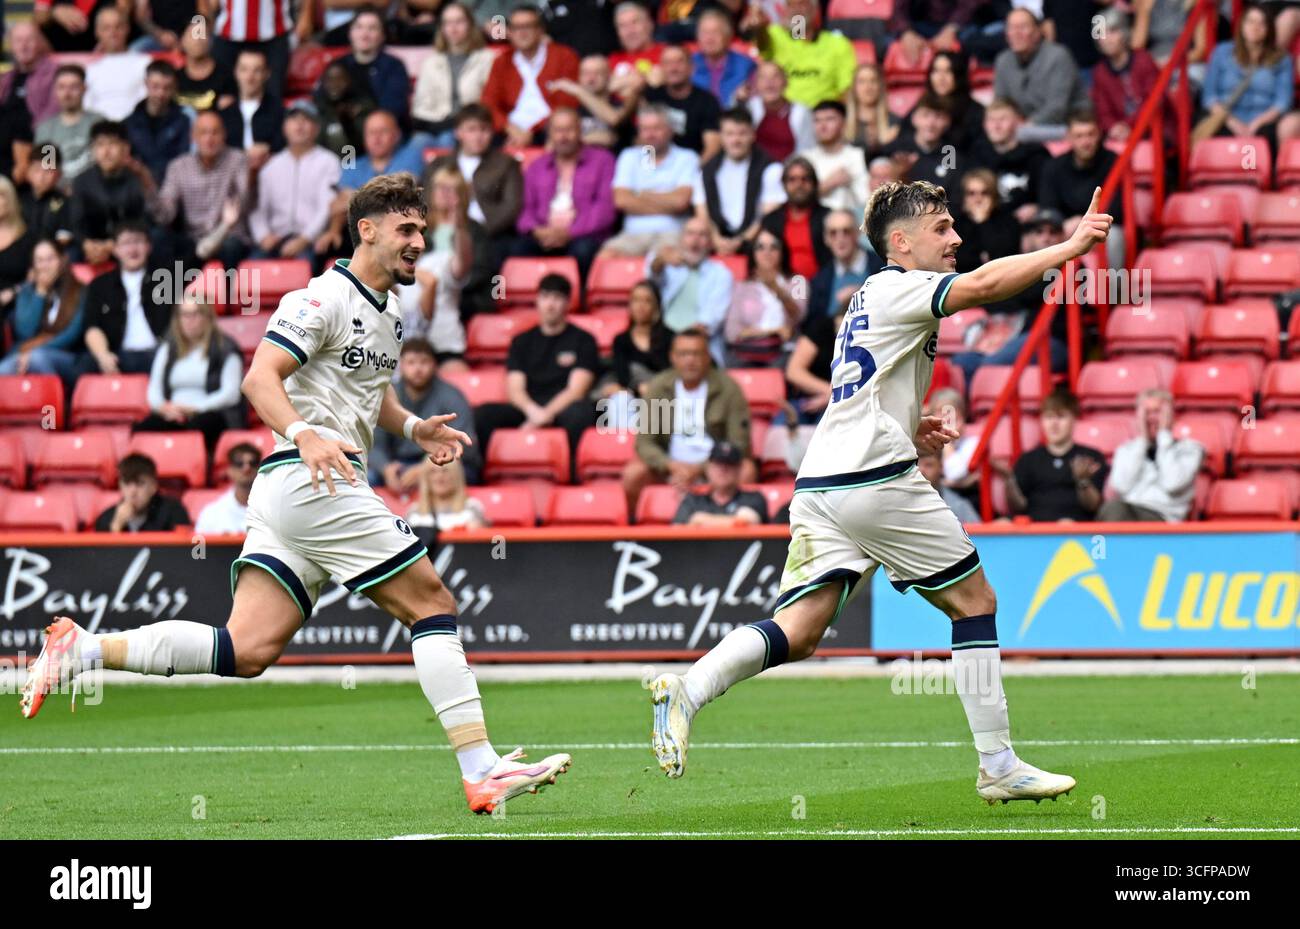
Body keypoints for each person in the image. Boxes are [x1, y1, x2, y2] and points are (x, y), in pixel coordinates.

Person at [24, 173, 573, 816]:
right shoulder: (320, 299)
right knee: (431, 600)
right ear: (366, 230)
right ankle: (481, 769)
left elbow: (374, 394)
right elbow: (260, 380)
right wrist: (309, 433)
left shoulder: (389, 311)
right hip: (313, 479)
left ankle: (84, 648)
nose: (420, 240)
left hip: (299, 489)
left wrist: (415, 427)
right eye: (408, 228)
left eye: (423, 228)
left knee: (246, 648)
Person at [649, 178, 1116, 803]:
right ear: (902, 243)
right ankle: (999, 764)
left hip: (821, 479)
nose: (957, 238)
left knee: (803, 627)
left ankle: (690, 687)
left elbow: (865, 383)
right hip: (873, 478)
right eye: (943, 228)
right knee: (975, 602)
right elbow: (981, 287)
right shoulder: (902, 287)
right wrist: (1067, 248)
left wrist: (905, 422)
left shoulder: (870, 295)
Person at [473, 273, 598, 474]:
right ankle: (484, 472)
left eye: (557, 298)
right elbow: (515, 389)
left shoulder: (584, 340)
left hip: (561, 409)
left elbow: (576, 390)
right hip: (528, 408)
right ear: (537, 300)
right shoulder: (521, 342)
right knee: (484, 414)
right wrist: (533, 413)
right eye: (546, 297)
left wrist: (544, 416)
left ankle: (572, 472)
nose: (550, 304)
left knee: (581, 412)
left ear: (567, 303)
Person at [623, 328, 755, 513]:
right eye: (683, 354)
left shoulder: (729, 388)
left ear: (708, 357)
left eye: (696, 354)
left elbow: (739, 444)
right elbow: (644, 443)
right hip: (668, 467)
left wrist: (701, 469)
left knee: (746, 470)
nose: (690, 360)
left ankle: (732, 525)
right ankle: (632, 534)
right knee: (633, 474)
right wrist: (671, 465)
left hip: (716, 465)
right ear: (672, 357)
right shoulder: (658, 387)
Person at [513, 107, 617, 281]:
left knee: (584, 251)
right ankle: (527, 303)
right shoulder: (537, 166)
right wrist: (537, 230)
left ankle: (583, 303)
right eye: (558, 130)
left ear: (580, 131)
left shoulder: (603, 160)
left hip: (583, 236)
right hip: (544, 234)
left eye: (569, 130)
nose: (563, 136)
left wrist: (570, 232)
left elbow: (605, 210)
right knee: (516, 249)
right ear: (550, 135)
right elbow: (524, 209)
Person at [134, 295, 243, 453]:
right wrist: (164, 408)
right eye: (184, 314)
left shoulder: (225, 348)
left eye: (195, 314)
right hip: (173, 414)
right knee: (143, 428)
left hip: (209, 414)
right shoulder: (168, 348)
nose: (189, 320)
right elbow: (154, 390)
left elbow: (231, 394)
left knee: (198, 426)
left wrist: (195, 408)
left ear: (208, 317)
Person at [371, 338, 481, 490]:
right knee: (365, 477)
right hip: (398, 464)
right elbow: (374, 443)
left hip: (441, 462)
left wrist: (425, 469)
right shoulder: (390, 395)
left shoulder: (452, 395)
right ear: (400, 366)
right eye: (411, 362)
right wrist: (386, 468)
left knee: (459, 474)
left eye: (424, 362)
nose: (418, 369)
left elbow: (465, 445)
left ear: (435, 365)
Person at [150, 109, 251, 271]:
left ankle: (228, 296)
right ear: (193, 137)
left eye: (215, 133)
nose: (209, 139)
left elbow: (244, 201)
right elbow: (165, 215)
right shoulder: (179, 166)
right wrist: (148, 186)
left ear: (224, 135)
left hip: (228, 235)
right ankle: (166, 295)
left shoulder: (238, 160)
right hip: (193, 237)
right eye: (203, 133)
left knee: (231, 247)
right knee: (159, 238)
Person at [249, 101, 341, 265]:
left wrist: (304, 239)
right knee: (249, 273)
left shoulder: (329, 162)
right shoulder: (270, 166)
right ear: (285, 127)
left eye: (307, 119)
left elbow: (326, 208)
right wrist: (263, 236)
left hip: (311, 241)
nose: (299, 124)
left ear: (317, 128)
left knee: (304, 270)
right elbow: (257, 207)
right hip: (275, 239)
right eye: (294, 119)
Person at [602, 104, 700, 257]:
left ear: (670, 130)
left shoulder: (686, 157)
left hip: (672, 235)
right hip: (633, 235)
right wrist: (667, 201)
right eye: (645, 129)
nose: (650, 134)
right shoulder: (629, 156)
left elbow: (680, 203)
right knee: (605, 257)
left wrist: (641, 195)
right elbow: (621, 201)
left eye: (656, 128)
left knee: (668, 259)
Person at [395, 175, 473, 365]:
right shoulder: (391, 270)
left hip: (445, 347)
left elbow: (463, 264)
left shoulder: (441, 260)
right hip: (405, 353)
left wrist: (460, 229)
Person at [998, 388, 1108, 523]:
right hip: (1033, 527)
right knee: (1001, 524)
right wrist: (1009, 480)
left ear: (1074, 419)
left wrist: (1083, 481)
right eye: (1049, 417)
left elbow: (1093, 507)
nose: (1054, 424)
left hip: (1074, 531)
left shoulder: (1090, 457)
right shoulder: (1028, 459)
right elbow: (1018, 507)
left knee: (1066, 525)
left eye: (1061, 416)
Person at [479, 3, 580, 147]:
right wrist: (511, 130)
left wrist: (530, 132)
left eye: (528, 27)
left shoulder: (564, 56)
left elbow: (567, 103)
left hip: (549, 129)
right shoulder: (502, 61)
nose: (522, 33)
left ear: (540, 30)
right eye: (516, 28)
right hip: (510, 131)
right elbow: (489, 103)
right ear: (510, 32)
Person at [80, 219, 172, 375]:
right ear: (115, 249)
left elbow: (198, 254)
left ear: (149, 247)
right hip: (118, 355)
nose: (133, 248)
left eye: (138, 241)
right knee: (85, 364)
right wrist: (103, 355)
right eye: (126, 243)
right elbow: (92, 327)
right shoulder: (99, 285)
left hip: (158, 353)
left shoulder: (165, 279)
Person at [1098, 389, 1204, 522]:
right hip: (1127, 512)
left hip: (1163, 519)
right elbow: (1121, 486)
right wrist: (1142, 440)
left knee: (1114, 511)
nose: (1152, 418)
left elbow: (1173, 483)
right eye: (1146, 413)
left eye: (1158, 412)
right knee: (1111, 508)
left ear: (1172, 416)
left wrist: (1164, 435)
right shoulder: (1126, 450)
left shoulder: (1190, 449)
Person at [422, 104, 523, 243]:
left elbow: (511, 207)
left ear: (492, 132)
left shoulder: (506, 164)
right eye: (471, 129)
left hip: (490, 235)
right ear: (458, 132)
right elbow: (426, 200)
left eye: (484, 129)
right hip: (442, 232)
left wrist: (480, 233)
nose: (478, 136)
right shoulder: (439, 164)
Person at [1039, 109, 1125, 270]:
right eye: (1079, 136)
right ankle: (1042, 292)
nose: (1086, 141)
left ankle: (1115, 295)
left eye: (1090, 134)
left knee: (1115, 237)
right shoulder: (1054, 166)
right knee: (1040, 237)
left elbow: (1118, 211)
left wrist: (1083, 223)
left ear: (1099, 134)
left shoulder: (1114, 162)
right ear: (1069, 138)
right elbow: (1048, 208)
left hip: (1102, 231)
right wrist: (1061, 225)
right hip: (1065, 230)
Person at [693, 106, 784, 257]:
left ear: (753, 135)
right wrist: (716, 240)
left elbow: (769, 214)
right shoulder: (706, 171)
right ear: (720, 137)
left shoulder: (771, 168)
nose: (736, 140)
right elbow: (702, 213)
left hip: (756, 244)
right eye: (729, 134)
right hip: (715, 244)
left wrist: (741, 241)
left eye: (742, 133)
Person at [1201, 3, 1293, 151]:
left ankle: (1258, 172)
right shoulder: (1221, 52)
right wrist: (1233, 123)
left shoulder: (1281, 59)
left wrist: (1255, 124)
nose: (1255, 27)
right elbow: (1210, 97)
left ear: (1270, 29)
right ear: (1241, 25)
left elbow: (1282, 102)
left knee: (1269, 135)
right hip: (1226, 118)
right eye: (1250, 21)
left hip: (1264, 120)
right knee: (1213, 132)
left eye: (1261, 23)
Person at [646, 215, 733, 363]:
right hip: (661, 341)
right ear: (681, 239)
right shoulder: (668, 264)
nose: (695, 240)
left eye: (702, 235)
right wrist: (661, 260)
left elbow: (711, 319)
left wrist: (680, 345)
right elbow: (650, 280)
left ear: (711, 243)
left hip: (700, 347)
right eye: (690, 233)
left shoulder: (721, 274)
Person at [992, 8, 1088, 142]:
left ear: (1038, 32)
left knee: (1017, 136)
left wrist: (1025, 127)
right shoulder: (1003, 60)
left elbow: (1057, 109)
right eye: (1011, 28)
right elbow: (1000, 103)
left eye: (1022, 27)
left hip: (1067, 127)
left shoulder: (1058, 56)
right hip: (1024, 129)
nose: (1016, 33)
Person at [411, 1, 497, 148]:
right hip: (435, 126)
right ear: (442, 27)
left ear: (470, 25)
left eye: (459, 21)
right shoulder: (430, 62)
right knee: (418, 142)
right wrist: (440, 124)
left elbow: (488, 101)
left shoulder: (488, 58)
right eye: (448, 23)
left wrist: (460, 124)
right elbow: (420, 107)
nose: (453, 28)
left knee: (447, 138)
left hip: (473, 126)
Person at [68, 120, 151, 265]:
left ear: (125, 148)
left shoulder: (137, 179)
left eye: (112, 144)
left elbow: (143, 220)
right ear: (93, 150)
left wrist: (112, 245)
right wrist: (87, 244)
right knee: (70, 253)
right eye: (100, 145)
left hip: (129, 244)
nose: (106, 152)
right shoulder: (81, 182)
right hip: (92, 246)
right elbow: (77, 222)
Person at [745, 0, 855, 110]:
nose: (796, 9)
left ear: (814, 9)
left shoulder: (837, 44)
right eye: (790, 4)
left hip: (821, 117)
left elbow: (847, 89)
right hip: (784, 114)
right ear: (784, 10)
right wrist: (759, 27)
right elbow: (762, 45)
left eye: (801, 3)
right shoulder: (775, 35)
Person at [0, 238, 83, 382]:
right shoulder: (27, 292)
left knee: (38, 358)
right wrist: (40, 292)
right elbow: (25, 332)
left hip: (67, 356)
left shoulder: (79, 290)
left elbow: (72, 334)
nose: (45, 266)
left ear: (62, 260)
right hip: (25, 352)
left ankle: (54, 404)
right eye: (39, 260)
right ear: (34, 266)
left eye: (50, 259)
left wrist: (33, 352)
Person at [724, 228, 804, 367]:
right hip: (748, 351)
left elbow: (798, 318)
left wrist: (776, 288)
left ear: (783, 251)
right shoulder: (742, 287)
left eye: (774, 247)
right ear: (753, 253)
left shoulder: (798, 281)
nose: (767, 253)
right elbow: (731, 333)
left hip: (783, 352)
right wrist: (773, 331)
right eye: (760, 247)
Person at [965, 98, 1050, 224]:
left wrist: (1037, 207)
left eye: (1003, 119)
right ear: (984, 124)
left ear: (1018, 122)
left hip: (1026, 226)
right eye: (991, 120)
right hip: (986, 224)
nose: (996, 126)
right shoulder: (974, 154)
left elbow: (1049, 196)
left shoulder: (1037, 155)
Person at [601, 278, 673, 428]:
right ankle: (624, 448)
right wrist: (637, 389)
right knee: (619, 399)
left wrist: (653, 388)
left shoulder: (670, 337)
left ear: (656, 307)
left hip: (665, 397)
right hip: (634, 397)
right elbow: (623, 378)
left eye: (647, 301)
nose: (640, 306)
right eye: (636, 300)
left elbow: (673, 373)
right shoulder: (621, 340)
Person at [1091, 8, 1164, 144]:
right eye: (1101, 33)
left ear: (1124, 33)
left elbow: (1154, 101)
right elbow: (1102, 110)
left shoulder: (1143, 60)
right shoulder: (1100, 71)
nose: (1107, 39)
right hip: (1117, 135)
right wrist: (1113, 127)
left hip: (1152, 133)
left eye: (1112, 31)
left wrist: (1129, 125)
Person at [643, 45, 722, 161]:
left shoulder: (707, 101)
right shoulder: (652, 96)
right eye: (668, 63)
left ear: (692, 68)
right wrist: (650, 171)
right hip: (655, 167)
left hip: (694, 168)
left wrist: (691, 173)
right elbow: (644, 140)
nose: (673, 68)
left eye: (679, 62)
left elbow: (712, 148)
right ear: (661, 68)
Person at [759, 157, 830, 283]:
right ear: (784, 184)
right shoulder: (771, 220)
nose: (799, 185)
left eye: (805, 179)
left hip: (820, 288)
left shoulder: (828, 218)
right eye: (792, 179)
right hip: (780, 288)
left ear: (814, 183)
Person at [338, 9, 411, 129]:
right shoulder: (338, 65)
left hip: (383, 133)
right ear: (350, 33)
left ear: (382, 36)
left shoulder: (394, 67)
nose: (364, 34)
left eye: (372, 28)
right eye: (359, 27)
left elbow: (393, 109)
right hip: (344, 135)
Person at [217, 48, 285, 173]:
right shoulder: (224, 115)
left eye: (257, 70)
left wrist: (268, 148)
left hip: (270, 173)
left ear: (267, 74)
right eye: (244, 69)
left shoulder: (279, 112)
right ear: (236, 72)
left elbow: (285, 146)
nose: (250, 77)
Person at [124, 59, 191, 185]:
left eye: (167, 88)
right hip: (138, 188)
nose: (161, 93)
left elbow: (184, 160)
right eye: (155, 86)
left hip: (174, 185)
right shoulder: (129, 123)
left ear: (175, 88)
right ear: (146, 84)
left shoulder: (183, 122)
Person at [800, 101, 869, 220]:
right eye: (817, 120)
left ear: (844, 123)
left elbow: (867, 198)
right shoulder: (805, 159)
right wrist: (828, 185)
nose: (822, 126)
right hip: (814, 223)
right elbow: (796, 201)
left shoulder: (859, 156)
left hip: (854, 223)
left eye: (829, 119)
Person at [672, 441, 768, 526]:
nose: (723, 469)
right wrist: (733, 521)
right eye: (718, 464)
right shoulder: (692, 501)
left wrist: (698, 520)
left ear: (739, 469)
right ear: (708, 468)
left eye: (729, 464)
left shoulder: (754, 498)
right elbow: (676, 531)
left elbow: (748, 521)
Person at [34, 64, 103, 182]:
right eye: (61, 87)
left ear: (84, 88)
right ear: (55, 90)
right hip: (59, 195)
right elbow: (47, 170)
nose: (67, 93)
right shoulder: (45, 129)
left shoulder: (99, 123)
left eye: (73, 87)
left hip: (94, 193)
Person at [808, 208, 879, 321]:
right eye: (833, 233)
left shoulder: (882, 266)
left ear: (857, 233)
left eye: (846, 231)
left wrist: (864, 292)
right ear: (826, 238)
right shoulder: (820, 280)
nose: (840, 239)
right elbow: (814, 324)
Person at [91, 453, 191, 532]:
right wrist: (116, 526)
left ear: (154, 486)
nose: (133, 492)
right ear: (120, 486)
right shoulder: (106, 518)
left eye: (140, 484)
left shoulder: (173, 512)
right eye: (127, 483)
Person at [82, 5, 150, 121]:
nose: (113, 33)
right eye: (106, 28)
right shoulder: (90, 69)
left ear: (127, 29)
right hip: (99, 130)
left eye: (118, 27)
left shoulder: (145, 63)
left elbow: (146, 103)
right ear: (97, 32)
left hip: (133, 127)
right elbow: (86, 106)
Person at [746, 60, 815, 164]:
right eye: (763, 77)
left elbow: (807, 151)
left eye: (775, 77)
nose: (769, 83)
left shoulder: (801, 112)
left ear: (786, 82)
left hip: (790, 172)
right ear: (756, 84)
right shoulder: (748, 108)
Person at [953, 168, 1021, 273]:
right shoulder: (955, 224)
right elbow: (958, 261)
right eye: (971, 193)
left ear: (994, 196)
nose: (978, 199)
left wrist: (982, 223)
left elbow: (1002, 259)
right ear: (964, 197)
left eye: (984, 193)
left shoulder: (1008, 222)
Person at [919, 50, 984, 151]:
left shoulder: (975, 112)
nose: (941, 78)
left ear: (959, 76)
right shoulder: (923, 104)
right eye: (936, 71)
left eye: (948, 71)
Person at [691, 7, 754, 108]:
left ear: (728, 35)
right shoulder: (688, 64)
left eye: (715, 32)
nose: (709, 38)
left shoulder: (746, 66)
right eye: (704, 33)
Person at [313, 59, 377, 157]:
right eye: (329, 79)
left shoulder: (363, 107)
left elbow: (360, 148)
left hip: (353, 165)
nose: (334, 84)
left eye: (340, 79)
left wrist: (347, 123)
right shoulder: (316, 109)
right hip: (323, 167)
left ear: (349, 81)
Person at [194, 442, 260, 535]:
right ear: (229, 470)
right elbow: (199, 547)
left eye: (253, 463)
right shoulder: (211, 513)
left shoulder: (272, 510)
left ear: (260, 469)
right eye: (239, 463)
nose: (246, 468)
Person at [407, 459, 490, 532]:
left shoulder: (472, 507)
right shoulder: (414, 511)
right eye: (433, 471)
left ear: (456, 475)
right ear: (425, 478)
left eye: (445, 471)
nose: (439, 477)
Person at [175, 16, 237, 112]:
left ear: (211, 40)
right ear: (181, 41)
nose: (198, 40)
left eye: (202, 34)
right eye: (193, 35)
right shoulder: (174, 79)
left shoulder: (226, 77)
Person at [20, 148, 73, 247]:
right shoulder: (19, 199)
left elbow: (64, 238)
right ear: (28, 172)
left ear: (58, 174)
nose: (42, 176)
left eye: (48, 170)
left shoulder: (64, 201)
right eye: (37, 170)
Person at [845, 63, 900, 156]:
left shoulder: (895, 123)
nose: (868, 87)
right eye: (861, 82)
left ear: (880, 87)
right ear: (854, 88)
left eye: (873, 81)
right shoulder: (842, 122)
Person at [0, 179, 37, 314]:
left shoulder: (27, 237)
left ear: (9, 200)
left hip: (18, 303)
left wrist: (14, 292)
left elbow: (35, 277)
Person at [916, 451, 980, 524]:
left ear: (941, 467)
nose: (921, 470)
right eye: (916, 464)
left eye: (928, 465)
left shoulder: (958, 506)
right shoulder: (901, 497)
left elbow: (977, 532)